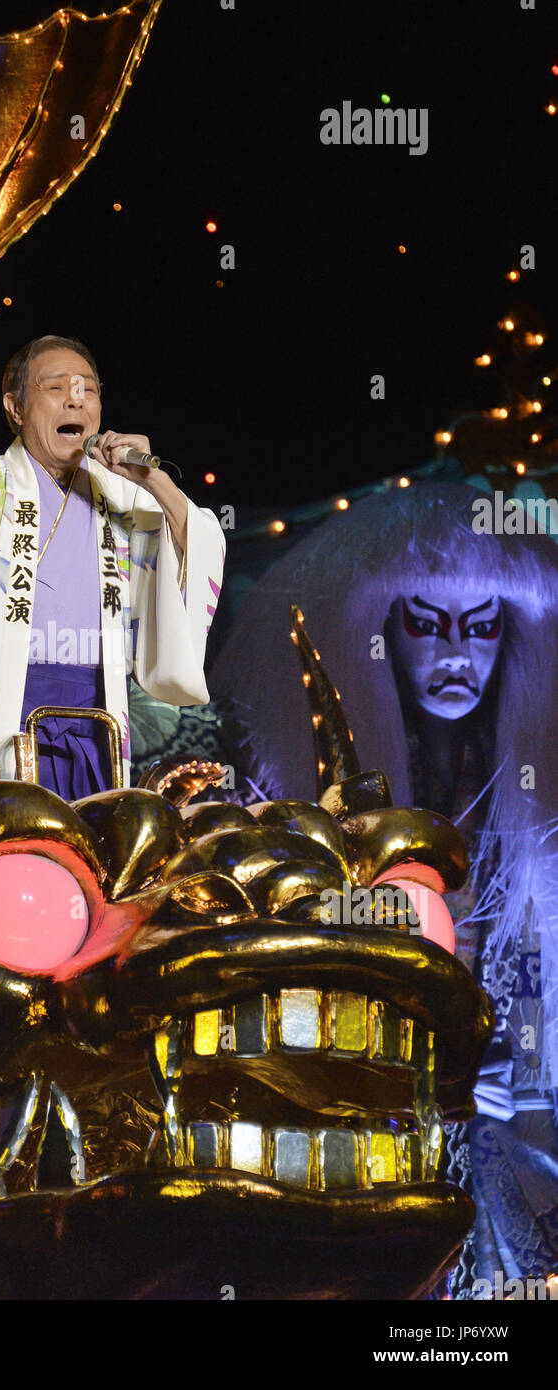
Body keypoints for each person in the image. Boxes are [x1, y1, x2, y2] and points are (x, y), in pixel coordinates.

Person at [210, 482, 558, 1295]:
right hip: (370, 1087)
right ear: (379, 632)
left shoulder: (527, 784)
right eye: (426, 624)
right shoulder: (320, 771)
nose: (455, 656)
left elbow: (533, 958)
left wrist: (519, 1062)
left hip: (507, 1106)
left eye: (480, 629)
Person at [0, 296, 225, 798]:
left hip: (96, 722)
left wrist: (154, 481)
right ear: (15, 407)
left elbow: (199, 545)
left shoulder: (124, 498)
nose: (75, 401)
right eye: (56, 388)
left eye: (88, 391)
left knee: (90, 868)